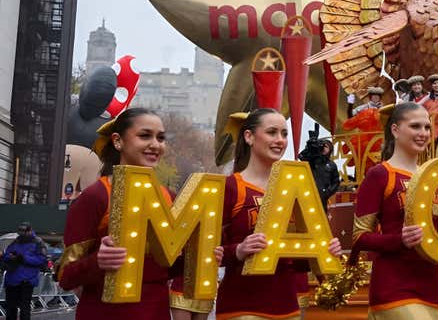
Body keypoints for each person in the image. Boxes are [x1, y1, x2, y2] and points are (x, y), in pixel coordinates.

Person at [57, 108, 222, 319]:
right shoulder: (95, 196)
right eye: (145, 136)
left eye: (161, 138)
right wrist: (98, 261)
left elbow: (162, 269)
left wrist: (199, 259)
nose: (156, 144)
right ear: (118, 141)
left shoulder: (169, 197)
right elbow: (65, 276)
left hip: (156, 312)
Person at [353, 102, 438, 318]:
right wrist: (398, 240)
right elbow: (359, 237)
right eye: (415, 127)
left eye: (426, 127)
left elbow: (434, 237)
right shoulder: (380, 174)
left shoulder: (432, 177)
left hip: (430, 287)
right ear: (395, 130)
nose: (423, 133)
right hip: (394, 287)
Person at [216, 108, 342, 319]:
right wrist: (238, 250)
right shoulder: (231, 187)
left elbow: (296, 262)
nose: (280, 140)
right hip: (241, 307)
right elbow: (206, 252)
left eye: (284, 134)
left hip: (287, 308)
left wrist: (323, 251)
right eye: (272, 132)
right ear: (249, 136)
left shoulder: (296, 188)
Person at [2, 222, 47, 320]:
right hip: (12, 279)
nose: (21, 234)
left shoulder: (37, 242)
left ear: (30, 231)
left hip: (26, 280)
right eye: (20, 231)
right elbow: (6, 255)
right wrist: (9, 257)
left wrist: (23, 258)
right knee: (10, 308)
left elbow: (42, 259)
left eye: (24, 231)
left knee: (24, 308)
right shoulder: (16, 241)